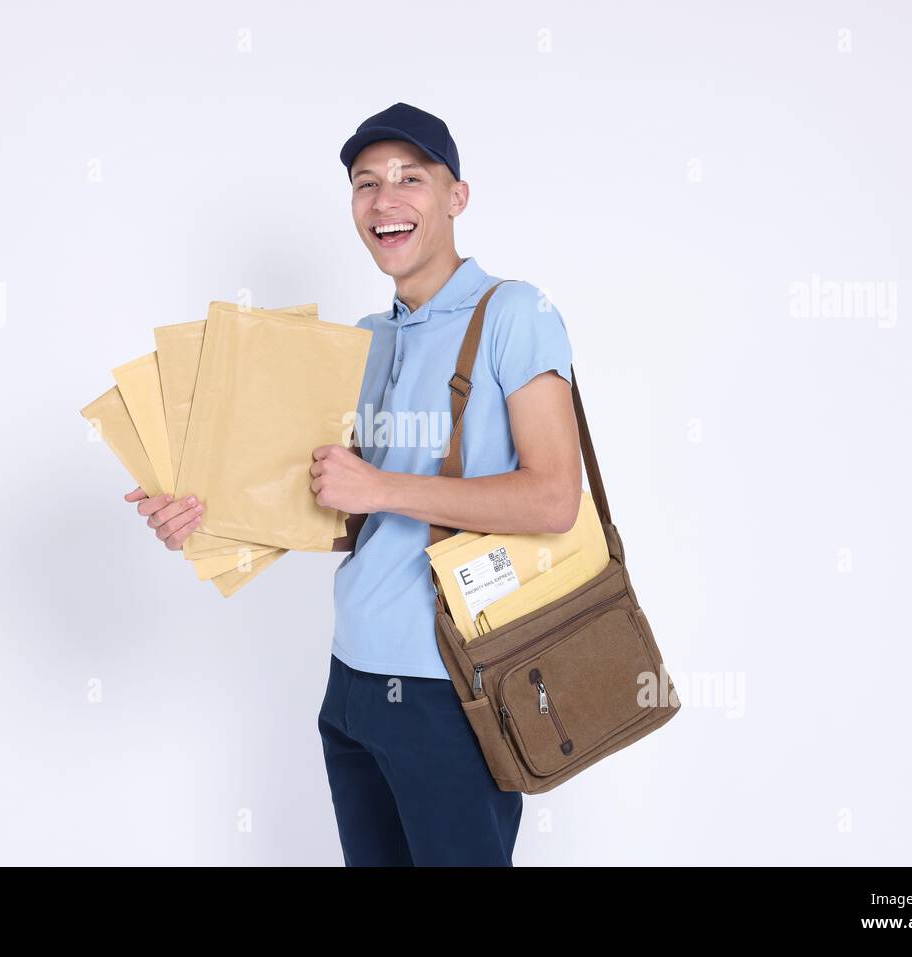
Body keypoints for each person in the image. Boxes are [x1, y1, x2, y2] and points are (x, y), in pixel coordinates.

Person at [125, 102, 583, 866]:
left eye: (411, 177)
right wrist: (203, 520)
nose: (385, 200)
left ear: (455, 196)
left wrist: (382, 489)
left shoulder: (514, 313)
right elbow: (343, 513)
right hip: (353, 683)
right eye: (366, 183)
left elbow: (552, 497)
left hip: (454, 686)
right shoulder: (367, 338)